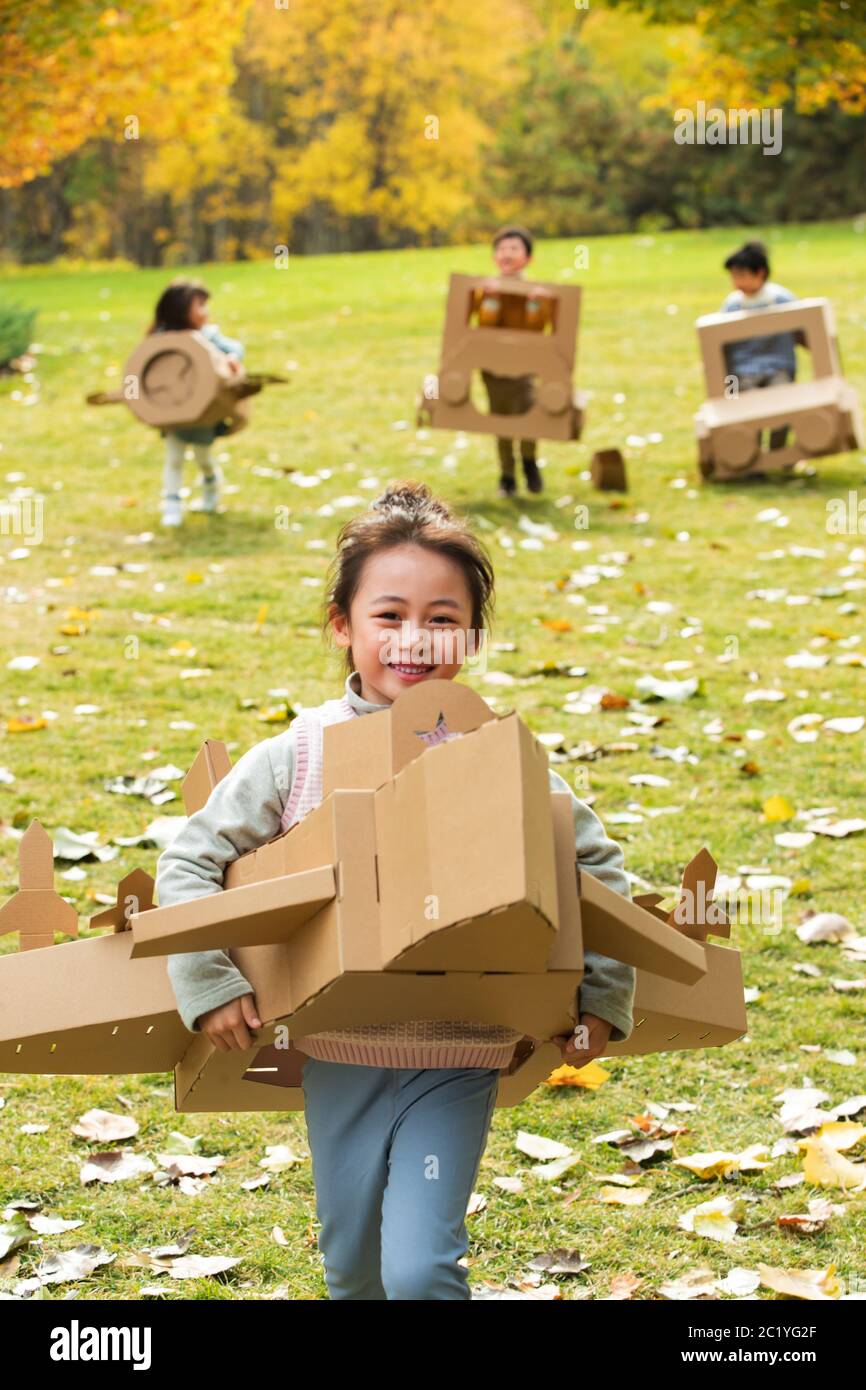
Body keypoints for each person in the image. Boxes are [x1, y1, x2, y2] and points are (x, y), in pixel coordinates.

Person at [157, 480, 636, 1300]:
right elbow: (190, 862)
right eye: (389, 616)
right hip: (339, 1047)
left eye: (442, 619)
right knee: (355, 1270)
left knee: (420, 1271)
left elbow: (595, 869)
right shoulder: (296, 755)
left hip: (461, 1045)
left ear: (472, 636)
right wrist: (207, 979)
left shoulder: (500, 755)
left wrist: (603, 993)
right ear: (343, 627)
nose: (415, 640)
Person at [147, 278, 244, 527]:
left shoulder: (208, 336)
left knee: (203, 456)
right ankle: (172, 505)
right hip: (174, 411)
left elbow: (235, 348)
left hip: (203, 412)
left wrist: (231, 357)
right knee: (174, 457)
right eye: (200, 305)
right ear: (180, 309)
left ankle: (211, 487)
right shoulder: (161, 339)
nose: (206, 312)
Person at [471, 225, 553, 498]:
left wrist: (533, 305)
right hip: (494, 370)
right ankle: (507, 474)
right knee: (501, 422)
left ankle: (529, 462)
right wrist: (491, 302)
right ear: (495, 257)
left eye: (514, 249)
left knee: (529, 415)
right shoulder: (486, 290)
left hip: (525, 367)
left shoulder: (536, 292)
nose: (507, 254)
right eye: (502, 249)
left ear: (527, 258)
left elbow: (537, 327)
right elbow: (484, 325)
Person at [720, 241, 798, 452]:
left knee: (783, 401)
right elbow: (720, 344)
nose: (737, 283)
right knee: (745, 407)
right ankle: (750, 457)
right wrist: (728, 384)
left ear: (760, 273)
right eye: (733, 277)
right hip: (742, 373)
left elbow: (803, 329)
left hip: (777, 368)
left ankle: (778, 453)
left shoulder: (781, 299)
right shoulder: (732, 305)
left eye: (742, 276)